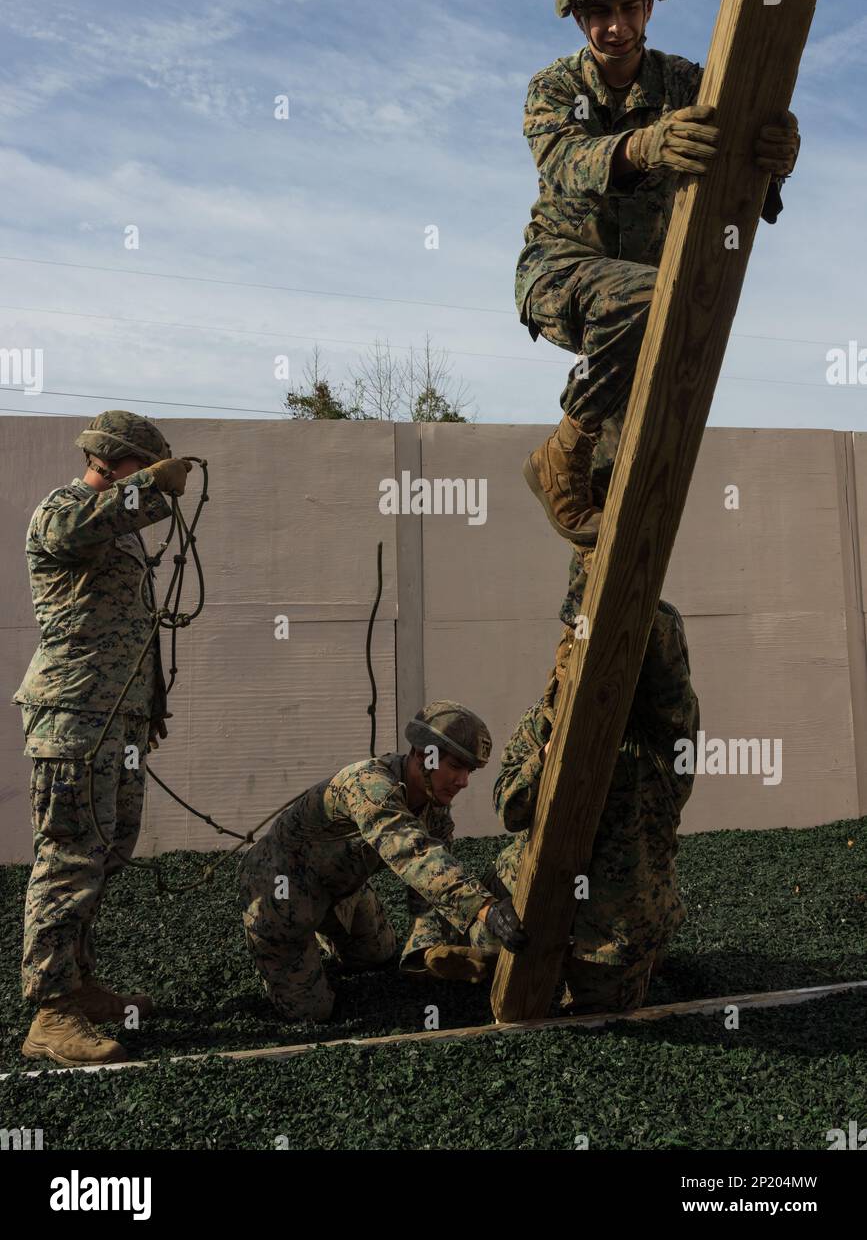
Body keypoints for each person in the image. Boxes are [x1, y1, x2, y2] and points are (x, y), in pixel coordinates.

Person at [517, 0, 800, 545]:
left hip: (643, 320)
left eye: (627, 8)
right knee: (658, 298)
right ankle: (559, 451)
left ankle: (596, 632)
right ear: (576, 19)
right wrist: (646, 145)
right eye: (597, 13)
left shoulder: (688, 86)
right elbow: (564, 164)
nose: (614, 27)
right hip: (562, 271)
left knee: (617, 501)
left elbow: (739, 180)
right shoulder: (554, 88)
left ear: (649, 6)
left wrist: (773, 159)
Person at [412, 547, 699, 1012]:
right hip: (541, 884)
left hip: (615, 917)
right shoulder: (539, 723)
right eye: (572, 655)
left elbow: (667, 662)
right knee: (483, 890)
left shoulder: (656, 735)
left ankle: (596, 966)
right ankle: (480, 953)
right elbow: (509, 808)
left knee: (596, 1010)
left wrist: (615, 584)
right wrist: (547, 755)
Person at [14, 410, 192, 1065]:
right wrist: (149, 488)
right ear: (119, 464)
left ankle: (79, 982)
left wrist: (148, 711)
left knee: (104, 853)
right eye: (143, 470)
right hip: (71, 722)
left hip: (114, 722)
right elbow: (81, 524)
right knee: (67, 860)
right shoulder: (63, 510)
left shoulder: (116, 529)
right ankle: (51, 1013)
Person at [238, 702, 528, 1022]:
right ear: (423, 755)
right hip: (282, 892)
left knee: (378, 955)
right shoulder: (370, 784)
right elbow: (412, 853)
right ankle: (284, 947)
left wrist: (427, 950)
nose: (463, 781)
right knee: (312, 1013)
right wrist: (484, 907)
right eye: (456, 766)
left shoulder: (435, 812)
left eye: (469, 771)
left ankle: (324, 930)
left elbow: (428, 887)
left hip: (341, 888)